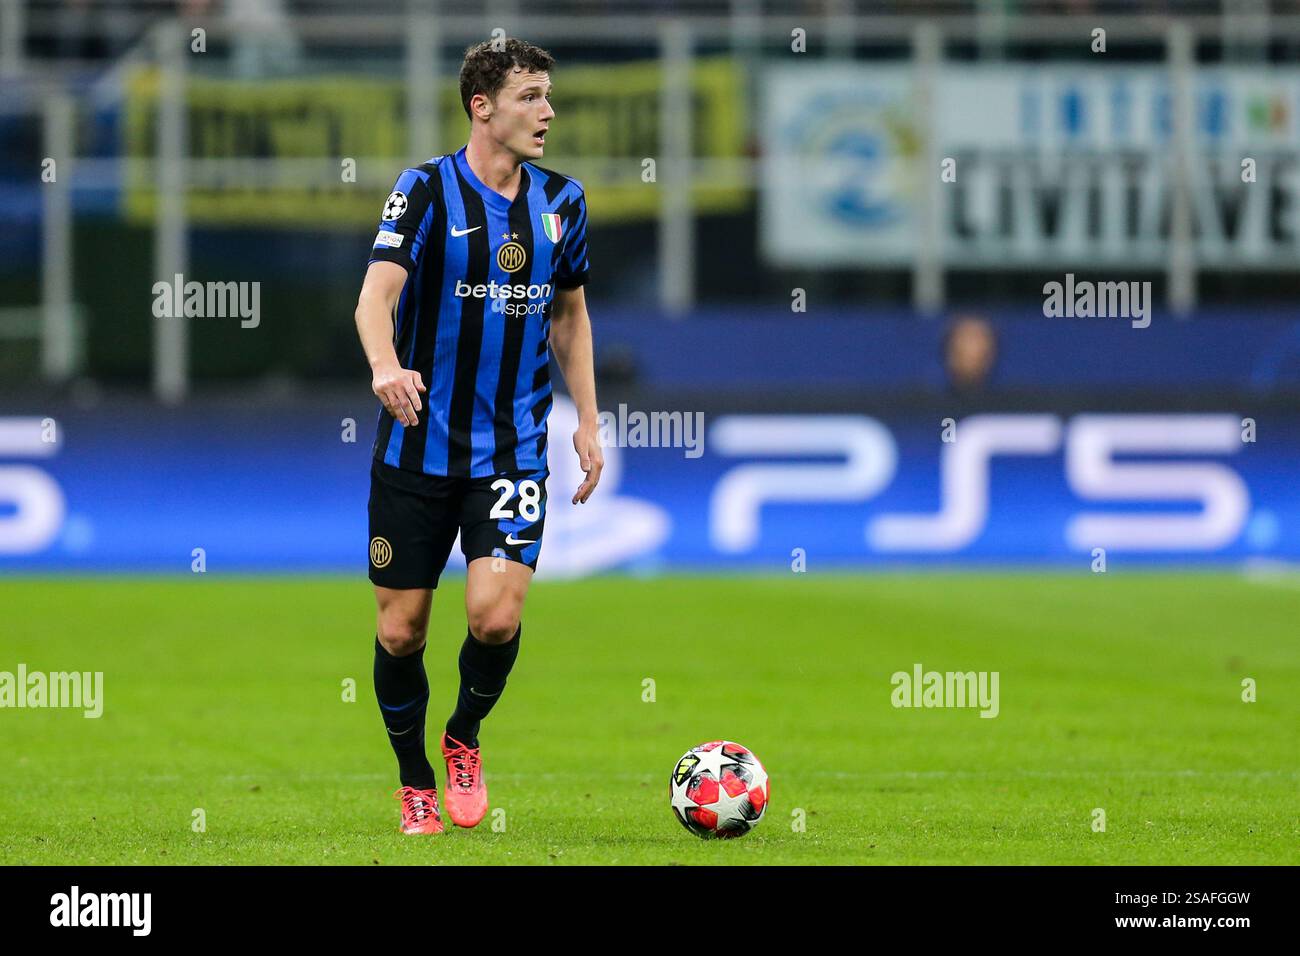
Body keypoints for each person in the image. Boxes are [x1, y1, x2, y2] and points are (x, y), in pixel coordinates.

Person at [352, 38, 602, 835]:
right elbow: (373, 299)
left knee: (495, 617)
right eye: (531, 96)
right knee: (402, 628)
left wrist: (589, 420)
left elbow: (570, 316)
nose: (548, 111)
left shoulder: (563, 202)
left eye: (549, 95)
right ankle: (414, 777)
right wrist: (386, 367)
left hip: (511, 447)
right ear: (481, 107)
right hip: (416, 445)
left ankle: (463, 736)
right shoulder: (424, 191)